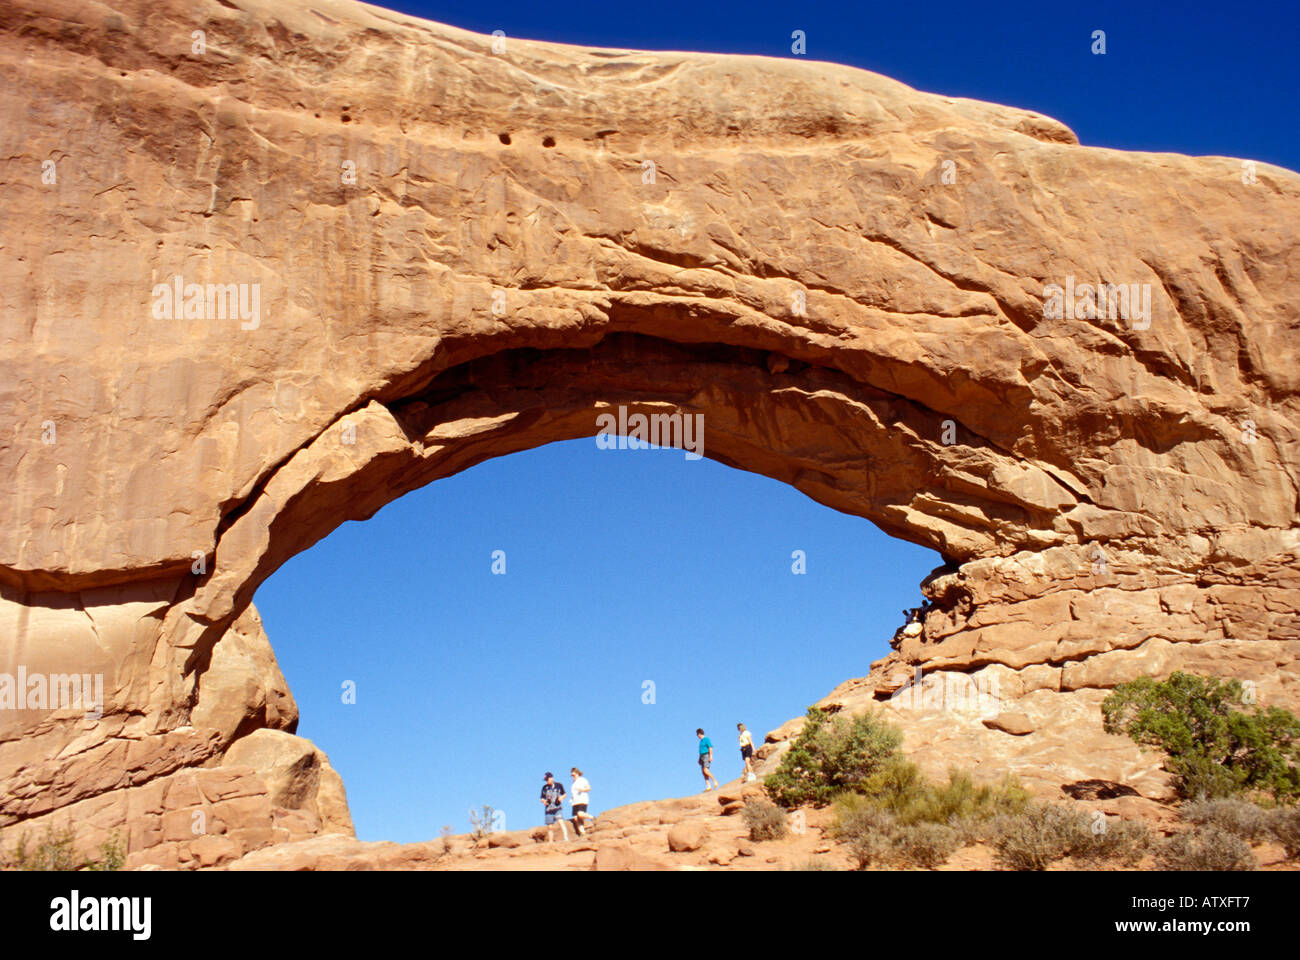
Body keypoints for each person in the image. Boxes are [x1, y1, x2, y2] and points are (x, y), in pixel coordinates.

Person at [539, 771, 568, 841]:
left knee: (561, 822)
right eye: (545, 780)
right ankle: (550, 842)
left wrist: (561, 798)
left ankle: (566, 838)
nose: (546, 781)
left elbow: (564, 794)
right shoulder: (544, 787)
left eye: (547, 779)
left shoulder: (559, 785)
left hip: (557, 807)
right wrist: (544, 801)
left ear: (551, 778)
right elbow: (541, 798)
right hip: (549, 809)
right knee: (550, 827)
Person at [570, 767, 594, 836]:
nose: (572, 777)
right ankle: (582, 832)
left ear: (577, 773)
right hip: (575, 801)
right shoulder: (573, 783)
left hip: (582, 799)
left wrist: (582, 790)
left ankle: (592, 818)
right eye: (571, 775)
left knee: (580, 814)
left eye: (573, 775)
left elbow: (589, 788)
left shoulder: (582, 780)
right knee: (576, 818)